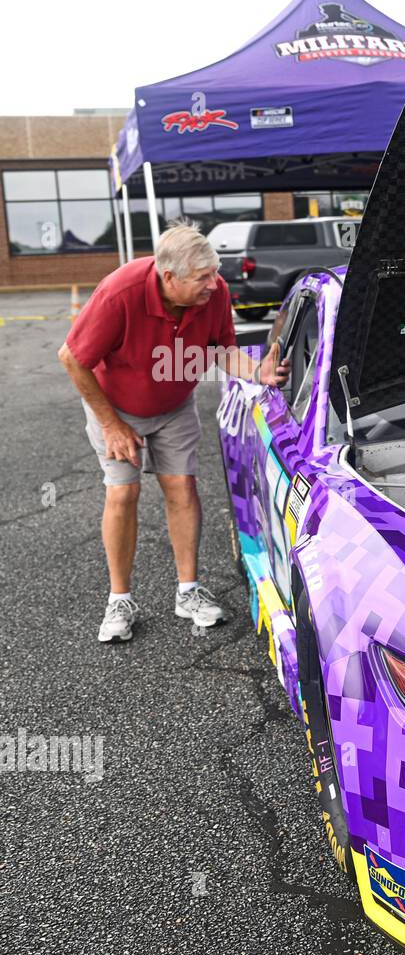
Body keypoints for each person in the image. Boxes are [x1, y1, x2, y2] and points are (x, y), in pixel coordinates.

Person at [58, 221, 289, 642]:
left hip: (174, 405)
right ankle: (119, 599)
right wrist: (111, 424)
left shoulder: (213, 294)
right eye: (203, 277)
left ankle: (188, 592)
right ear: (170, 277)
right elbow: (72, 358)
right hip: (115, 408)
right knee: (123, 492)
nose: (214, 284)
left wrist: (258, 372)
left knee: (182, 488)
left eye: (214, 273)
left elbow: (222, 350)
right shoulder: (119, 293)